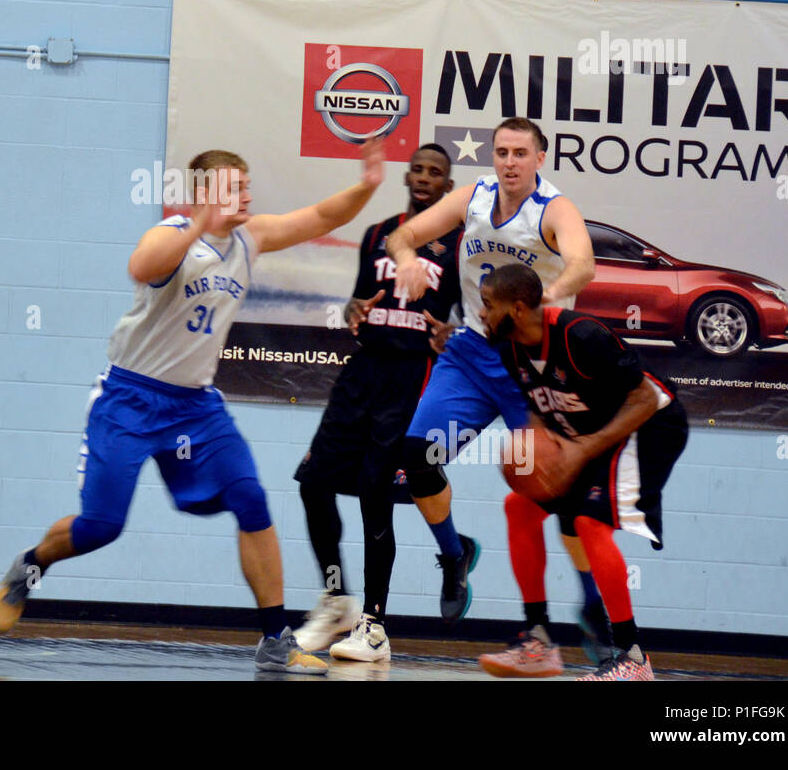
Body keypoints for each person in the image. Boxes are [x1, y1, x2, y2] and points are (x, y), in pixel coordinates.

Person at [0, 140, 385, 673]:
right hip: (129, 397)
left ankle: (274, 639)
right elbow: (140, 265)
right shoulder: (173, 235)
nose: (246, 194)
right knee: (101, 526)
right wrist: (197, 223)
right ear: (204, 194)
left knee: (251, 499)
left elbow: (318, 217)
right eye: (234, 187)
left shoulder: (251, 237)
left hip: (195, 406)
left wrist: (366, 186)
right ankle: (29, 567)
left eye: (246, 185)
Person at [386, 118, 608, 651]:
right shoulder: (474, 198)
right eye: (502, 152)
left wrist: (536, 303)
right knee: (417, 457)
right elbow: (406, 233)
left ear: (540, 158)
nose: (509, 161)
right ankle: (454, 553)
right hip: (472, 353)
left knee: (558, 491)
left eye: (520, 153)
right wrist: (406, 259)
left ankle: (591, 602)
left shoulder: (555, 210)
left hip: (535, 360)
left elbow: (584, 264)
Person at [475, 264, 688, 680]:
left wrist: (581, 451)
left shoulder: (581, 335)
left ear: (517, 309)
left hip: (650, 425)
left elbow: (645, 398)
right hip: (588, 433)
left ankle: (633, 658)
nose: (481, 314)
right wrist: (536, 450)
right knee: (519, 506)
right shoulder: (510, 348)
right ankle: (538, 642)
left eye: (487, 305)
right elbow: (536, 409)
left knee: (590, 523)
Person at [291, 144, 461, 661]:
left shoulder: (458, 246)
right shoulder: (377, 234)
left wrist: (449, 333)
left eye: (437, 172)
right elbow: (358, 301)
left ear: (448, 186)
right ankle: (337, 597)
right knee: (313, 483)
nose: (425, 177)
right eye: (419, 169)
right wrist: (352, 309)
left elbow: (472, 317)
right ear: (408, 177)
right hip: (363, 370)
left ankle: (375, 625)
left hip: (411, 376)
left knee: (374, 495)